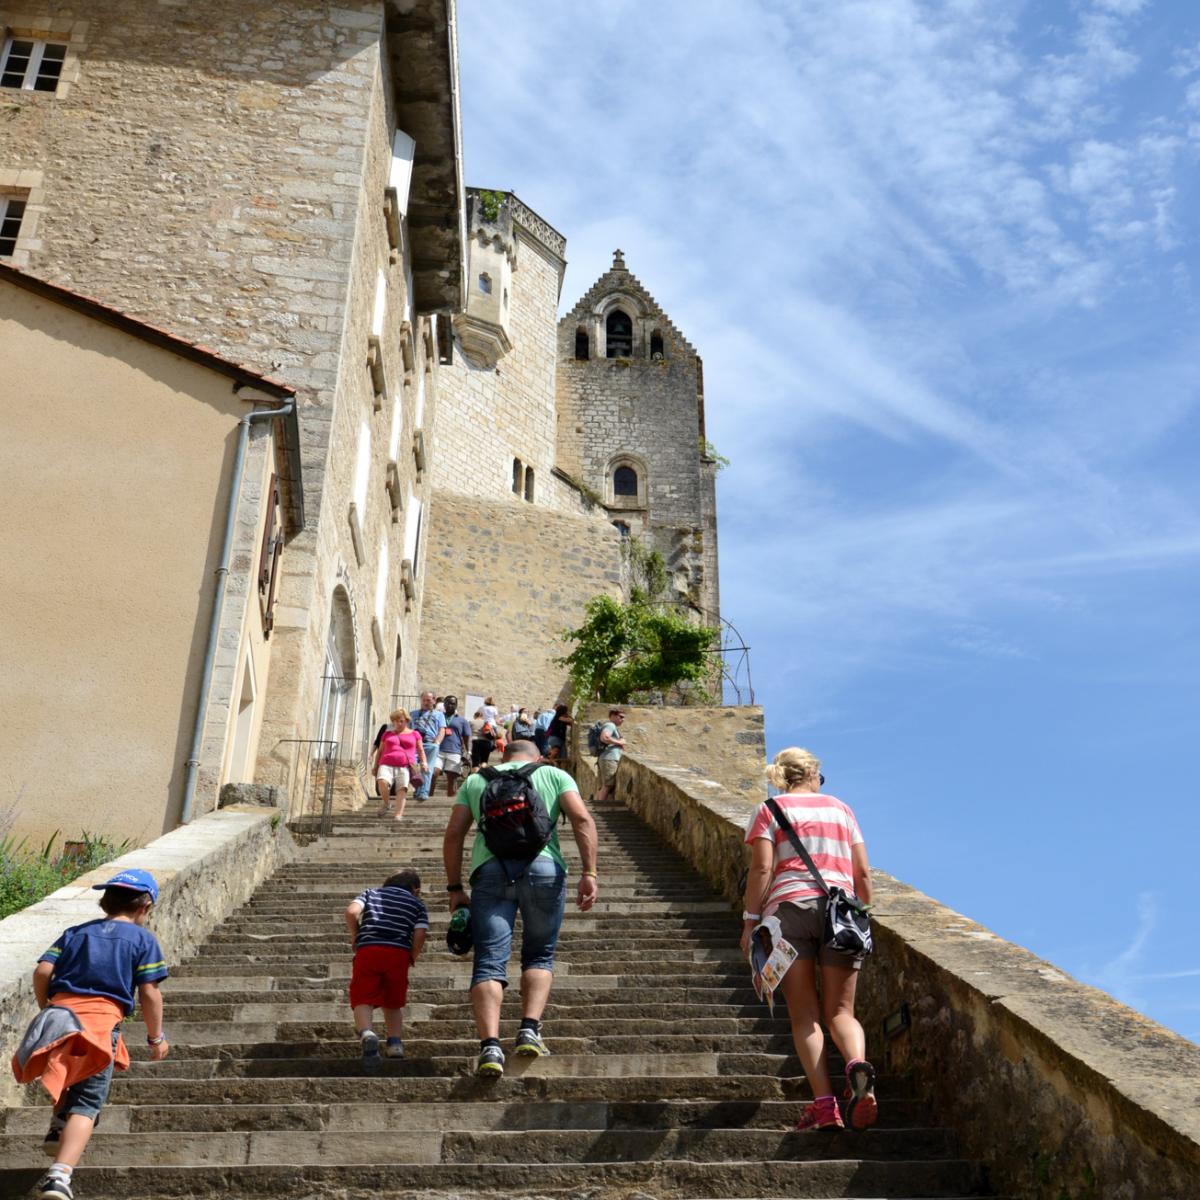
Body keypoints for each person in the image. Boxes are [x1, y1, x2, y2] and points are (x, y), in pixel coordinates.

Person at [442, 740, 599, 1078]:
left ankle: (490, 1048)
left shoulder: (476, 780)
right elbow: (582, 820)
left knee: (488, 962)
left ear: (504, 756)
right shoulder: (553, 775)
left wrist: (455, 887)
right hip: (544, 869)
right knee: (540, 954)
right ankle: (529, 1029)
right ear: (538, 756)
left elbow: (454, 834)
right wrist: (589, 873)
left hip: (491, 871)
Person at [740, 747, 877, 1132]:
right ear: (814, 775)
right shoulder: (842, 810)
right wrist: (861, 913)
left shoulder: (769, 809)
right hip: (841, 913)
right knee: (841, 1013)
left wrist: (750, 921)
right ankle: (855, 1067)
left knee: (805, 1016)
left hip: (789, 914)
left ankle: (825, 1106)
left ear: (782, 777)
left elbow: (763, 867)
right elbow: (862, 873)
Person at [13, 869, 169, 1200]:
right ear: (145, 907)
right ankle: (59, 1177)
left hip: (59, 1015)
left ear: (105, 901)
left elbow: (43, 970)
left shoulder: (75, 933)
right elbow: (150, 993)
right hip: (99, 1023)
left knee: (70, 1070)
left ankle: (58, 1126)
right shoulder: (143, 940)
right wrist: (156, 1038)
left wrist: (49, 1008)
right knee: (87, 1103)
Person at [344, 870, 428, 1067]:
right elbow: (420, 933)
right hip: (398, 954)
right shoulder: (417, 904)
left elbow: (351, 912)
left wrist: (356, 934)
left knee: (362, 996)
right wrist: (412, 956)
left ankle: (366, 1033)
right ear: (416, 890)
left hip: (369, 950)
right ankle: (395, 1043)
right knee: (393, 1001)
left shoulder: (370, 893)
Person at [371, 709, 426, 821]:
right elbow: (380, 751)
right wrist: (376, 766)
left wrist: (424, 762)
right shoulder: (387, 734)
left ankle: (398, 814)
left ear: (406, 720)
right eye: (395, 721)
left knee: (402, 789)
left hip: (405, 765)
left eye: (401, 721)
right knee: (381, 781)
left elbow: (420, 750)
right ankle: (386, 804)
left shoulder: (415, 734)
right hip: (386, 763)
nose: (398, 724)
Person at [432, 696, 473, 798]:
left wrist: (468, 752)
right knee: (433, 773)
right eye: (448, 703)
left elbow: (467, 737)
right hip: (438, 750)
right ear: (444, 704)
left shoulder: (462, 720)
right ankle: (428, 798)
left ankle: (451, 802)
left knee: (452, 777)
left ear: (456, 705)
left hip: (455, 751)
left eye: (453, 703)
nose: (450, 705)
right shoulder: (438, 717)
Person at [410, 691, 447, 802]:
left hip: (430, 744)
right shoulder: (413, 714)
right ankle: (417, 790)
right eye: (424, 700)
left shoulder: (439, 715)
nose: (426, 702)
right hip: (415, 744)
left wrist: (437, 743)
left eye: (429, 700)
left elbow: (442, 730)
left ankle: (423, 792)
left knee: (427, 769)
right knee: (414, 767)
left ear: (434, 701)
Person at [595, 708, 626, 802]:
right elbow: (604, 738)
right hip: (609, 758)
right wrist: (619, 742)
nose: (623, 719)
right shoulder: (610, 725)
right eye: (620, 717)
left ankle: (598, 803)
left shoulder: (611, 726)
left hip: (606, 757)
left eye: (624, 718)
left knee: (605, 785)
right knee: (608, 784)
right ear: (612, 716)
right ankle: (600, 806)